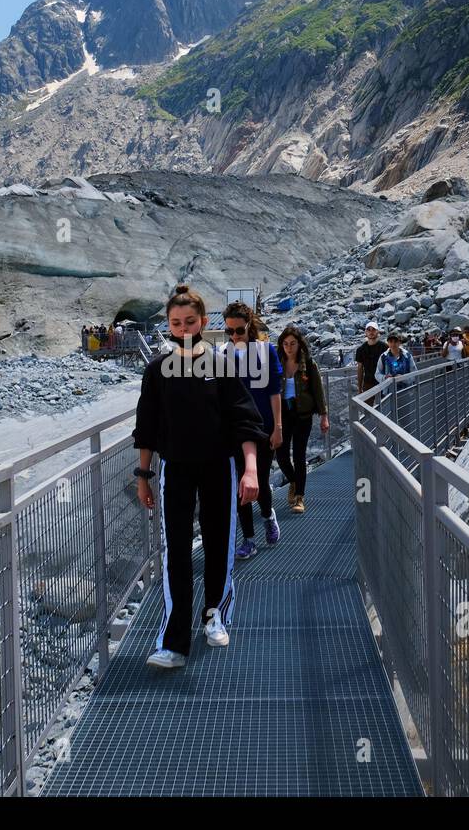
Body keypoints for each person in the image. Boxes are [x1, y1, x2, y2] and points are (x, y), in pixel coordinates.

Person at [132, 284, 267, 670]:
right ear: (169, 325)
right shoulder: (157, 371)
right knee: (175, 550)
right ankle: (172, 642)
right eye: (176, 322)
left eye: (190, 321)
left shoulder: (222, 367)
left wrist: (251, 470)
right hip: (174, 468)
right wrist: (143, 475)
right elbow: (147, 426)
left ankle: (214, 616)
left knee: (218, 542)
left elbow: (245, 422)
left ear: (203, 322)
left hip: (217, 466)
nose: (184, 328)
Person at [222, 301, 283, 560]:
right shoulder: (224, 354)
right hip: (236, 428)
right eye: (230, 331)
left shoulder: (266, 351)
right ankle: (249, 539)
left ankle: (268, 515)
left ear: (249, 326)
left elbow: (274, 391)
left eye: (239, 330)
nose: (235, 336)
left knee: (261, 485)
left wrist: (278, 427)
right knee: (240, 486)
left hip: (263, 427)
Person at [276, 325, 329, 513]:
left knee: (299, 455)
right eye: (285, 344)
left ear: (299, 345)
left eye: (292, 343)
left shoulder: (308, 363)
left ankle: (300, 497)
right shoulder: (277, 362)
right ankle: (293, 481)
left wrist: (324, 416)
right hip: (283, 414)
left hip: (303, 415)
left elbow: (318, 390)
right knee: (281, 454)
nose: (289, 347)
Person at [355, 321, 385, 393]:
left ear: (377, 331)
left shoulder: (385, 347)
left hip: (383, 382)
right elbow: (360, 369)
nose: (371, 332)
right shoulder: (360, 349)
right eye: (368, 330)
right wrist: (359, 387)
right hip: (368, 383)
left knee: (385, 404)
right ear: (365, 332)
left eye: (373, 329)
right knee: (366, 404)